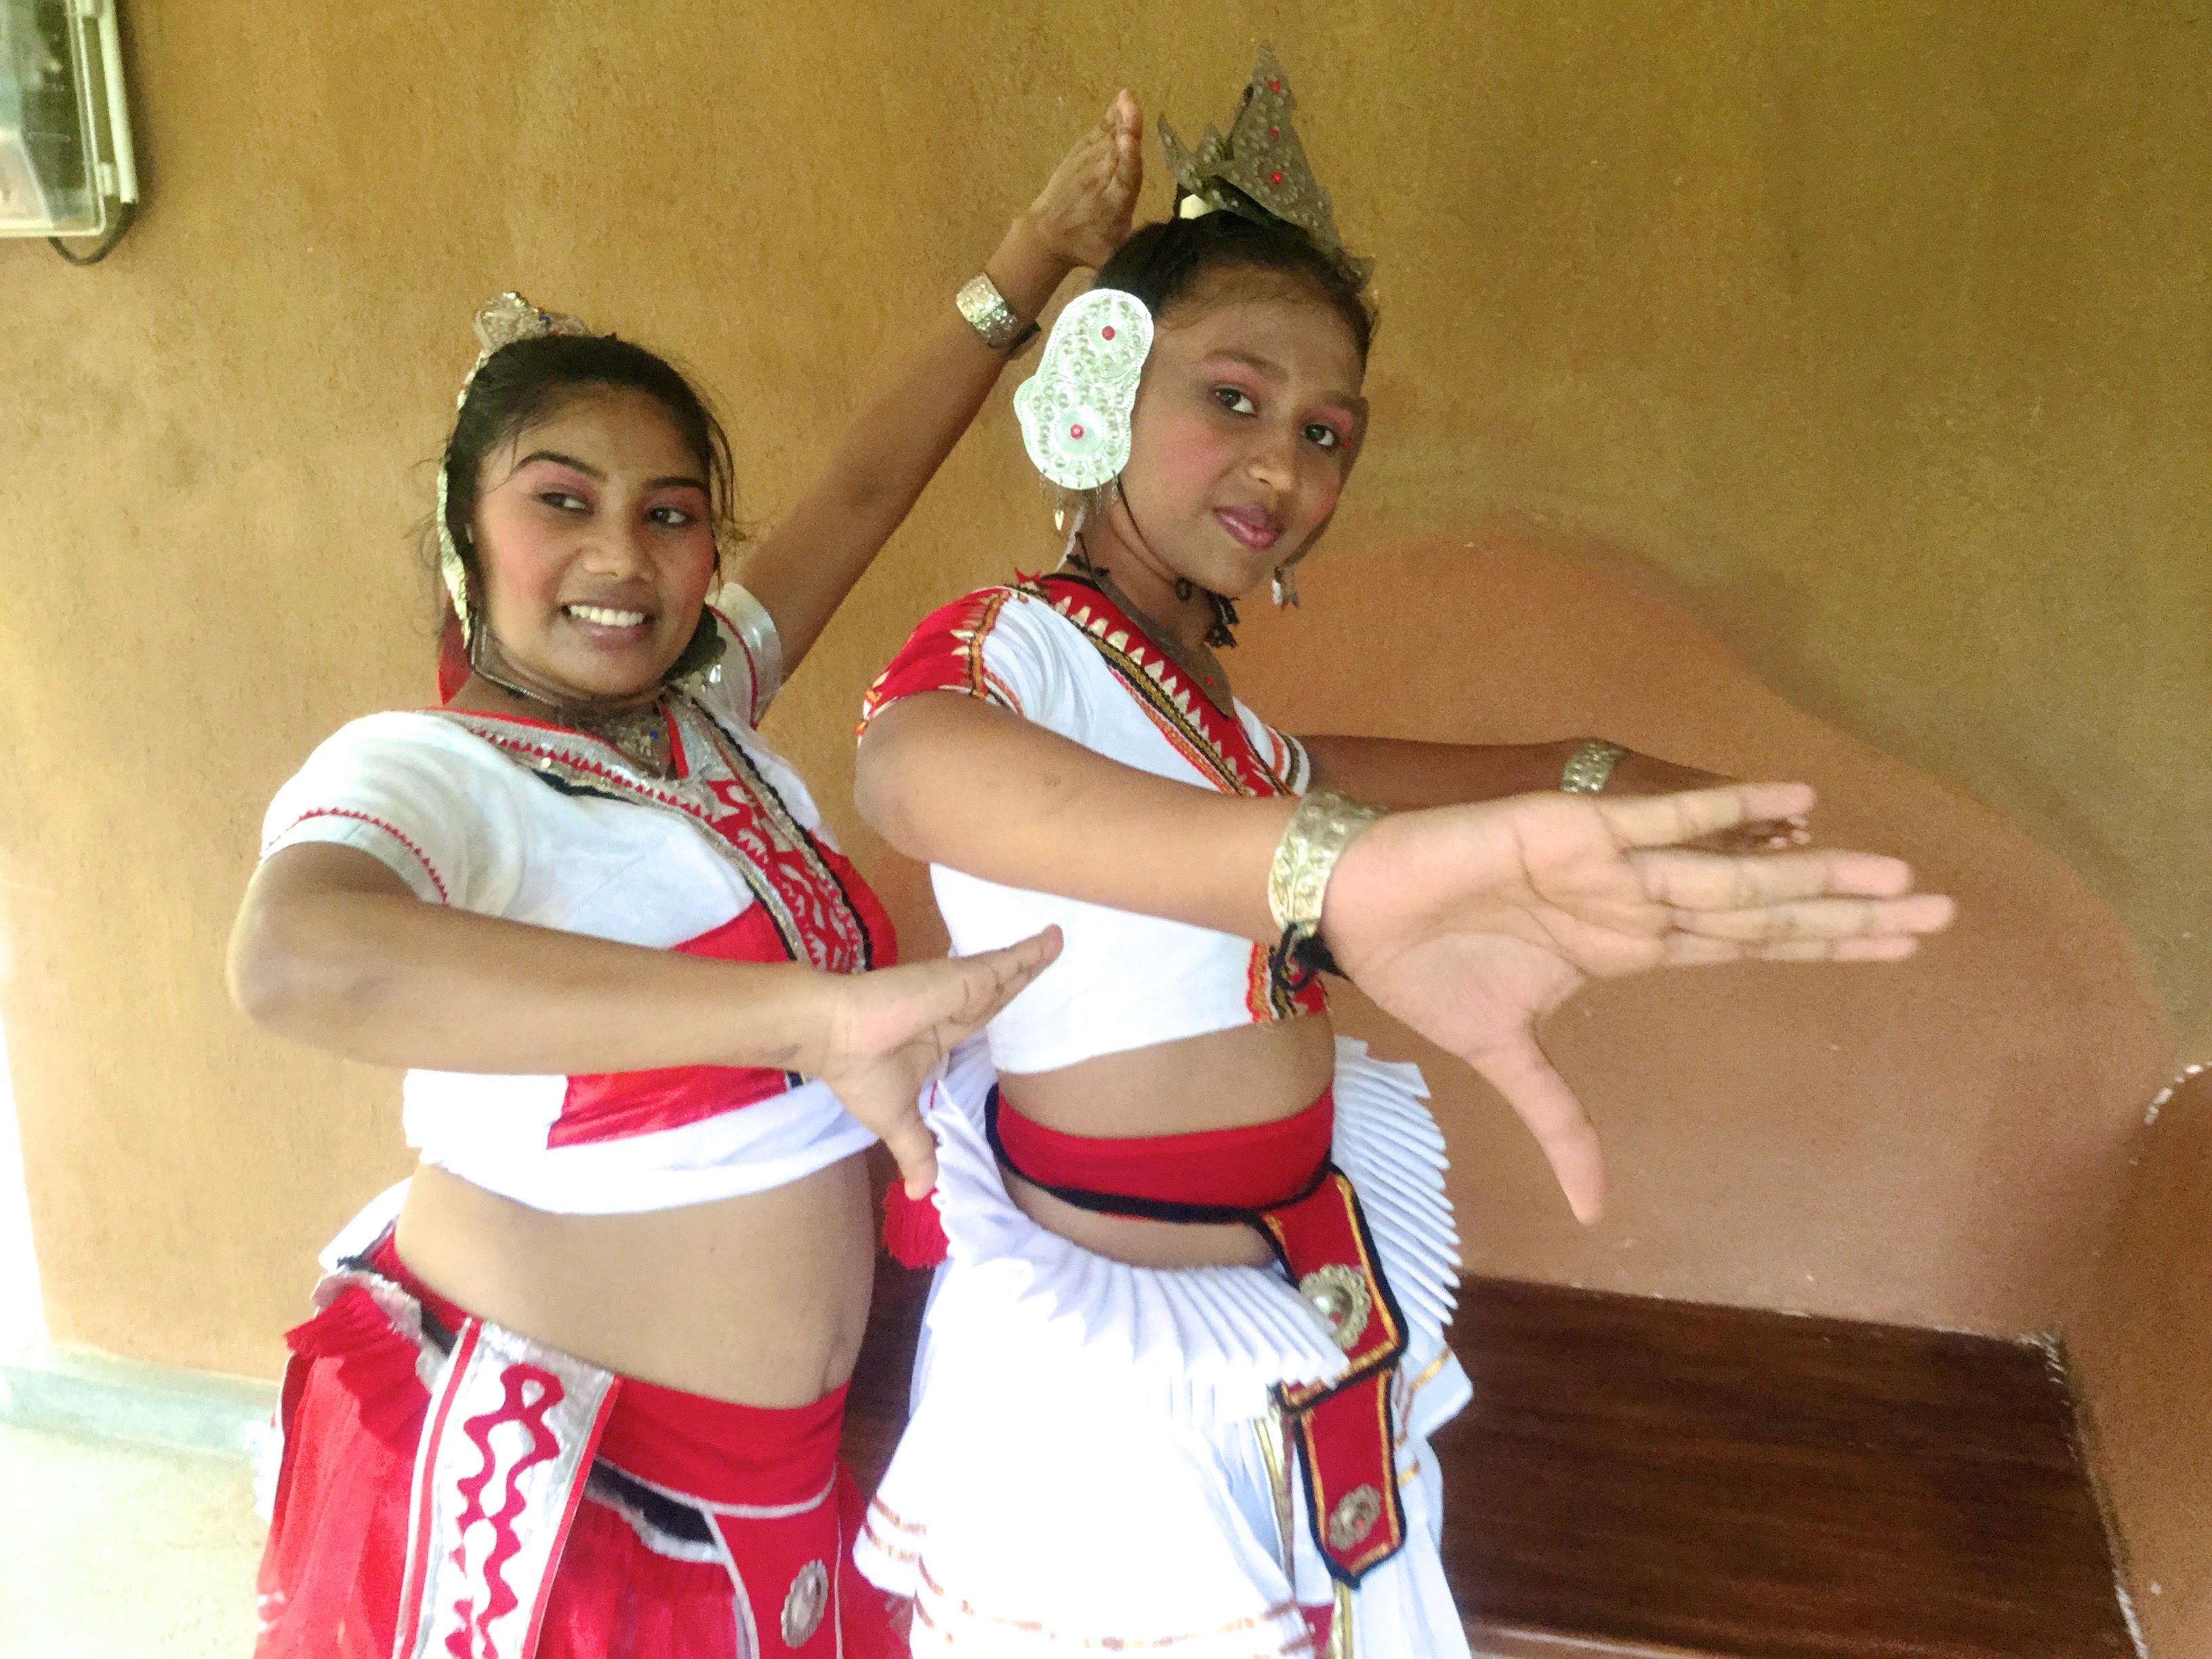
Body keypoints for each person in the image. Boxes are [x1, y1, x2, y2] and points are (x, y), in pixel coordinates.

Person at [848, 50, 1955, 1658]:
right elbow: (918, 768)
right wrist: (1327, 878)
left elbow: (1361, 785)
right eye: (1232, 399)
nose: (1285, 467)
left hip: (1294, 1294)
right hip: (1116, 1373)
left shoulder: (1211, 717)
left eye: (1327, 430)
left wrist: (1614, 783)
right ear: (1101, 380)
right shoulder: (1014, 650)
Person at [227, 97, 1145, 1659]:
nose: (622, 557)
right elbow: (298, 960)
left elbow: (857, 495)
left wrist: (1034, 261)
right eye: (561, 503)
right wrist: (807, 1020)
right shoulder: (430, 771)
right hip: (573, 1506)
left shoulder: (698, 718)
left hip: (778, 1490)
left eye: (672, 517)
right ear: (467, 538)